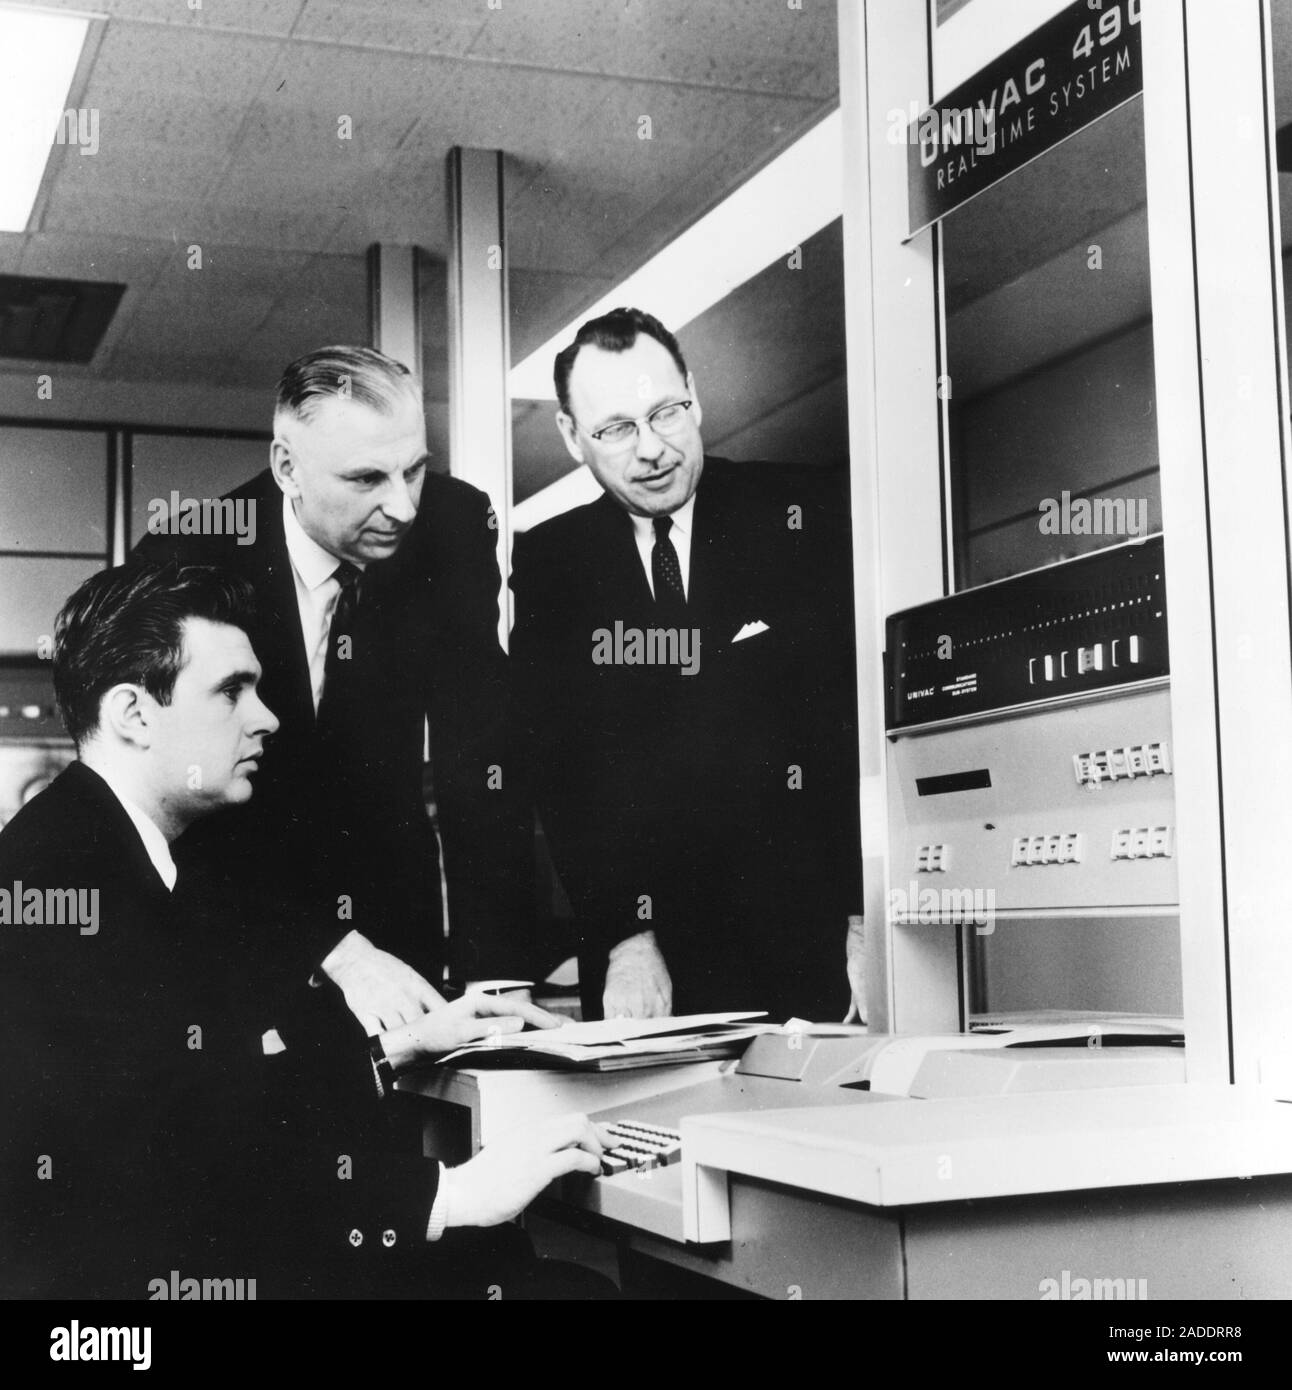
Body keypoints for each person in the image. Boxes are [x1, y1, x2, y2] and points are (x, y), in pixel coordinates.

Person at [0, 564, 612, 1299]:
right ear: (134, 713)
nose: (267, 717)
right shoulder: (55, 881)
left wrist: (399, 1046)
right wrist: (450, 1195)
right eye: (231, 690)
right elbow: (167, 1158)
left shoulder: (123, 856)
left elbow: (211, 1094)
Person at [134, 346, 532, 1035]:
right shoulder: (188, 560)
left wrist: (495, 971)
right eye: (367, 478)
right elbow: (181, 798)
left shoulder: (451, 527)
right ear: (287, 467)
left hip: (394, 908)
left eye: (415, 469)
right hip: (238, 913)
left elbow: (481, 753)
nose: (402, 505)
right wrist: (332, 949)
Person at [510, 308, 862, 1022]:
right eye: (615, 429)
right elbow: (564, 769)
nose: (652, 449)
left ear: (694, 396)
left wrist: (865, 921)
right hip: (646, 955)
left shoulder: (802, 513)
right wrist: (623, 940)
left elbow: (851, 731)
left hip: (811, 941)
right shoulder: (552, 563)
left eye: (666, 413)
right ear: (573, 438)